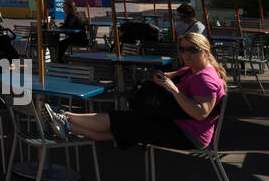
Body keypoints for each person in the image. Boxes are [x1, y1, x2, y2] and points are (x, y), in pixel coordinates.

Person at [44, 31, 226, 151]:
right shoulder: (191, 70)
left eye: (192, 50)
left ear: (205, 51)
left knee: (121, 119)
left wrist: (174, 91)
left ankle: (64, 115)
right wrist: (161, 78)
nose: (186, 54)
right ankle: (67, 125)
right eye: (182, 49)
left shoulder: (204, 78)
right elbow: (168, 75)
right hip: (177, 124)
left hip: (189, 135)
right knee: (122, 127)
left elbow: (201, 113)